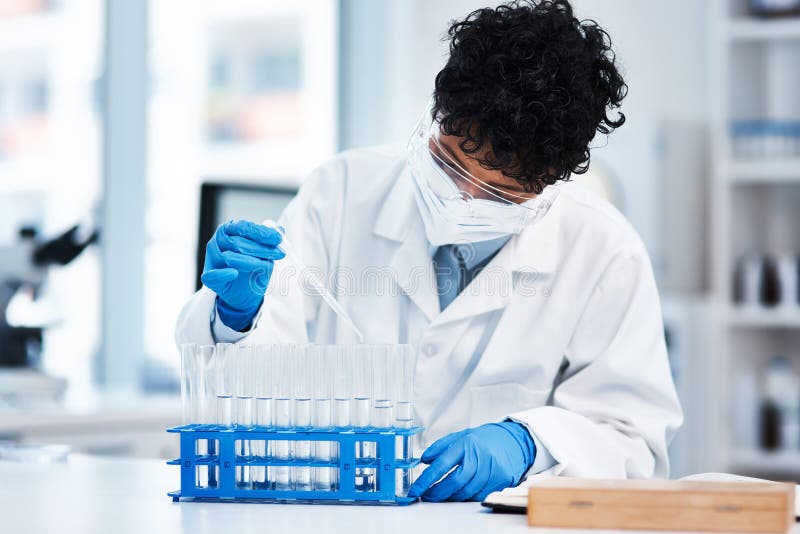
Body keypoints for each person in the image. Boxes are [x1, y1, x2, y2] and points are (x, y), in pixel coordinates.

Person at [175, 0, 682, 502]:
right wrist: (236, 318)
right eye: (449, 162)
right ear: (437, 116)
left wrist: (532, 444)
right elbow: (248, 392)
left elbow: (635, 444)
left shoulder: (604, 251)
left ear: (548, 183)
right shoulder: (342, 192)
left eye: (497, 194)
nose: (462, 198)